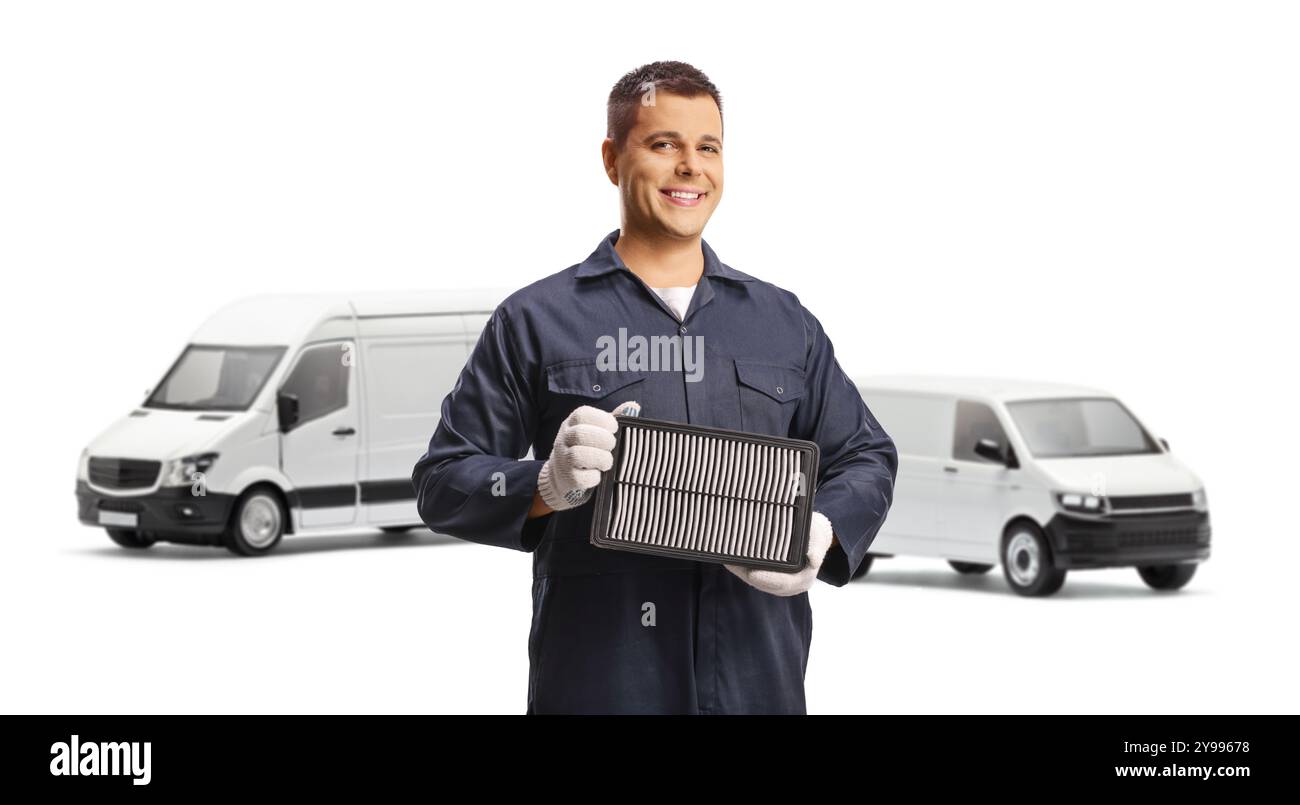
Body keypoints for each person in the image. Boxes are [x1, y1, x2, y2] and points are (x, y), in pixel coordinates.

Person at [412, 60, 897, 714]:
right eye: (664, 144)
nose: (690, 166)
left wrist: (823, 528)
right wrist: (543, 487)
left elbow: (865, 454)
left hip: (759, 688)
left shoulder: (784, 324)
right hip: (602, 690)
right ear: (612, 159)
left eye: (708, 147)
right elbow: (443, 479)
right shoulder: (535, 320)